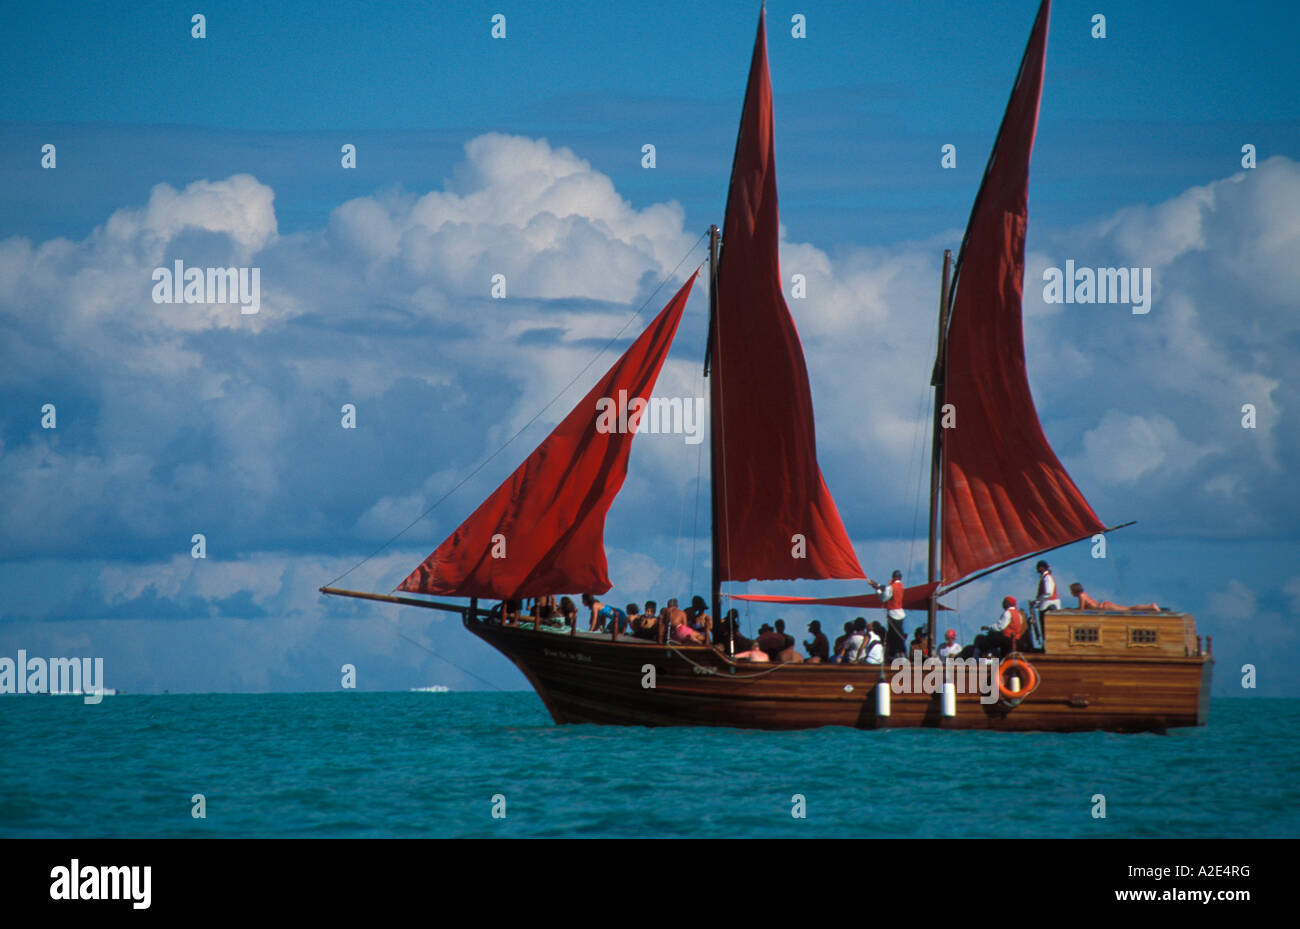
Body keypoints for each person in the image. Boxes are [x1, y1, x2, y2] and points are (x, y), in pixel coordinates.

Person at [868, 569, 907, 659]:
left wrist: (878, 590)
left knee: (893, 635)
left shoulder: (891, 587)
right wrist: (878, 585)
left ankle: (893, 654)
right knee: (899, 634)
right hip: (900, 613)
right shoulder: (901, 586)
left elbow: (883, 598)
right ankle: (900, 653)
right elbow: (887, 588)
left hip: (893, 614)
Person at [1068, 582, 1160, 612]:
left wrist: (1070, 610)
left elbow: (1082, 610)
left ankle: (1150, 606)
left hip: (1104, 607)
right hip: (1104, 605)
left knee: (1128, 609)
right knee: (1128, 609)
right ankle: (1149, 606)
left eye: (1071, 591)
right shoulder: (1084, 594)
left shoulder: (1081, 596)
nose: (1071, 593)